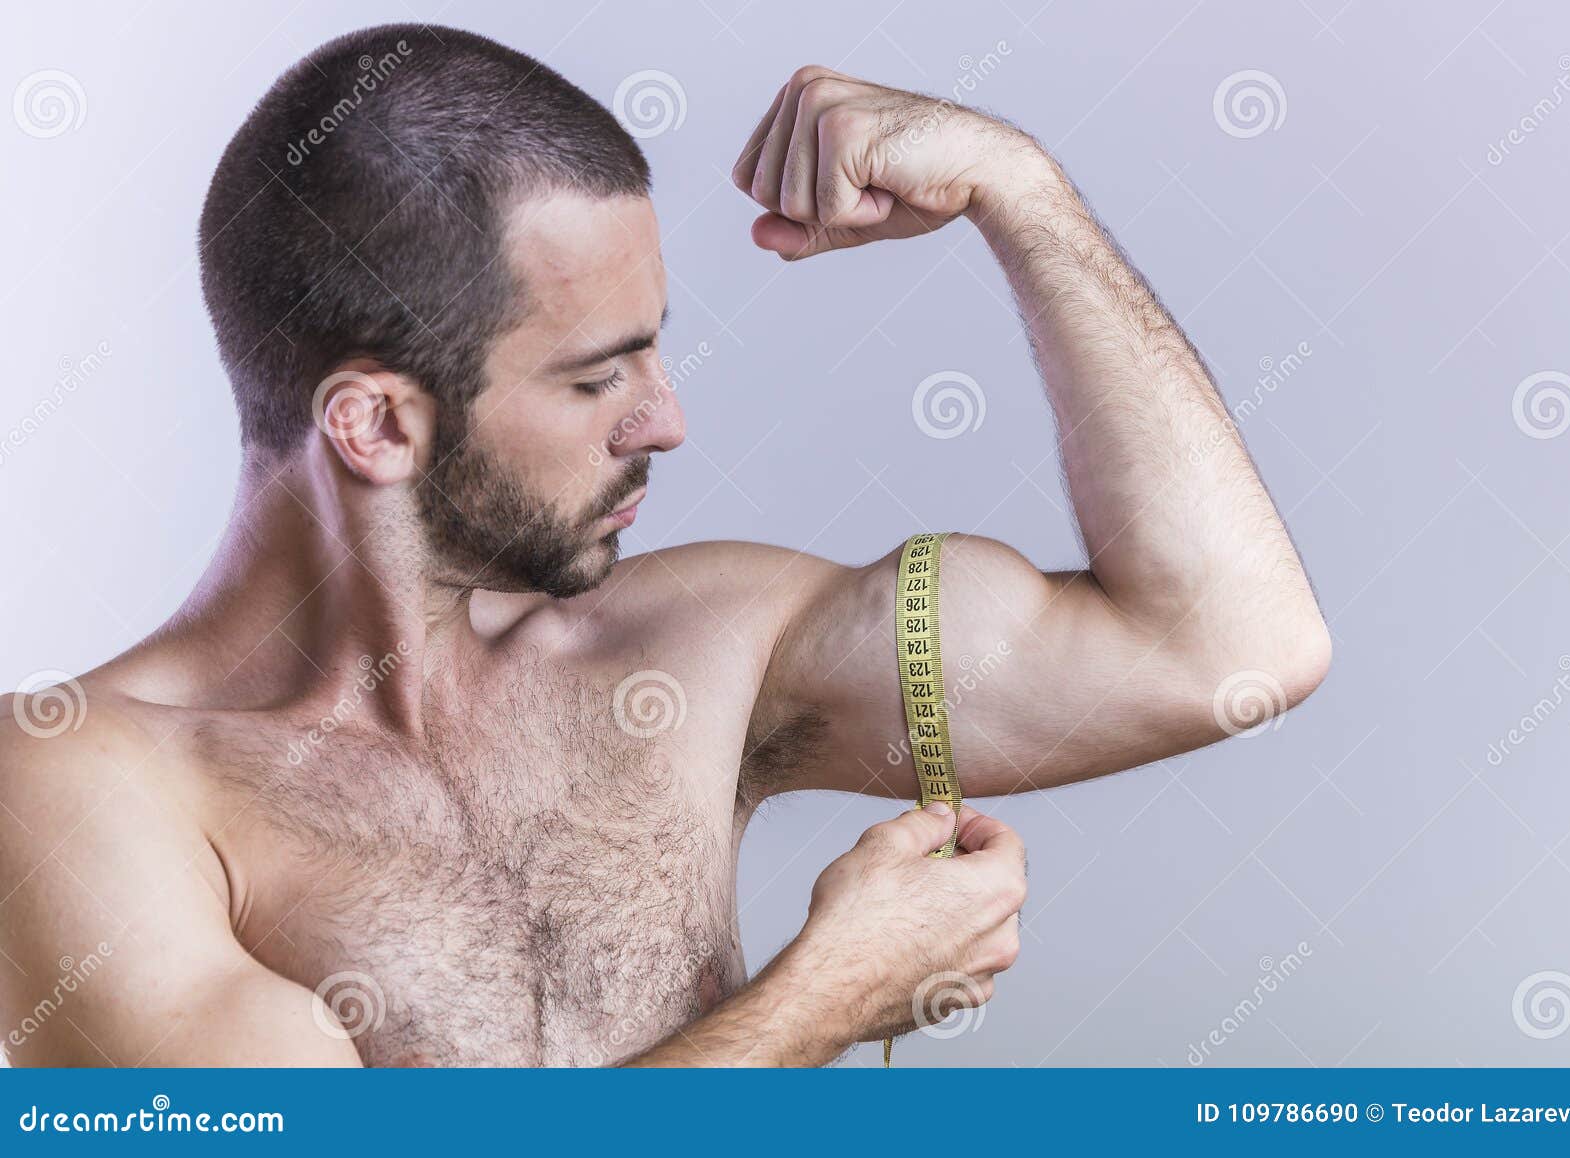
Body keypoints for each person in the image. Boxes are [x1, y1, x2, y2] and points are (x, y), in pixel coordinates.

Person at [0, 25, 1329, 1066]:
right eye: (598, 377)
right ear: (378, 423)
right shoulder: (76, 789)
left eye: (655, 349)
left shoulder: (698, 652)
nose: (668, 421)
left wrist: (1022, 195)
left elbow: (1226, 645)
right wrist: (822, 999)